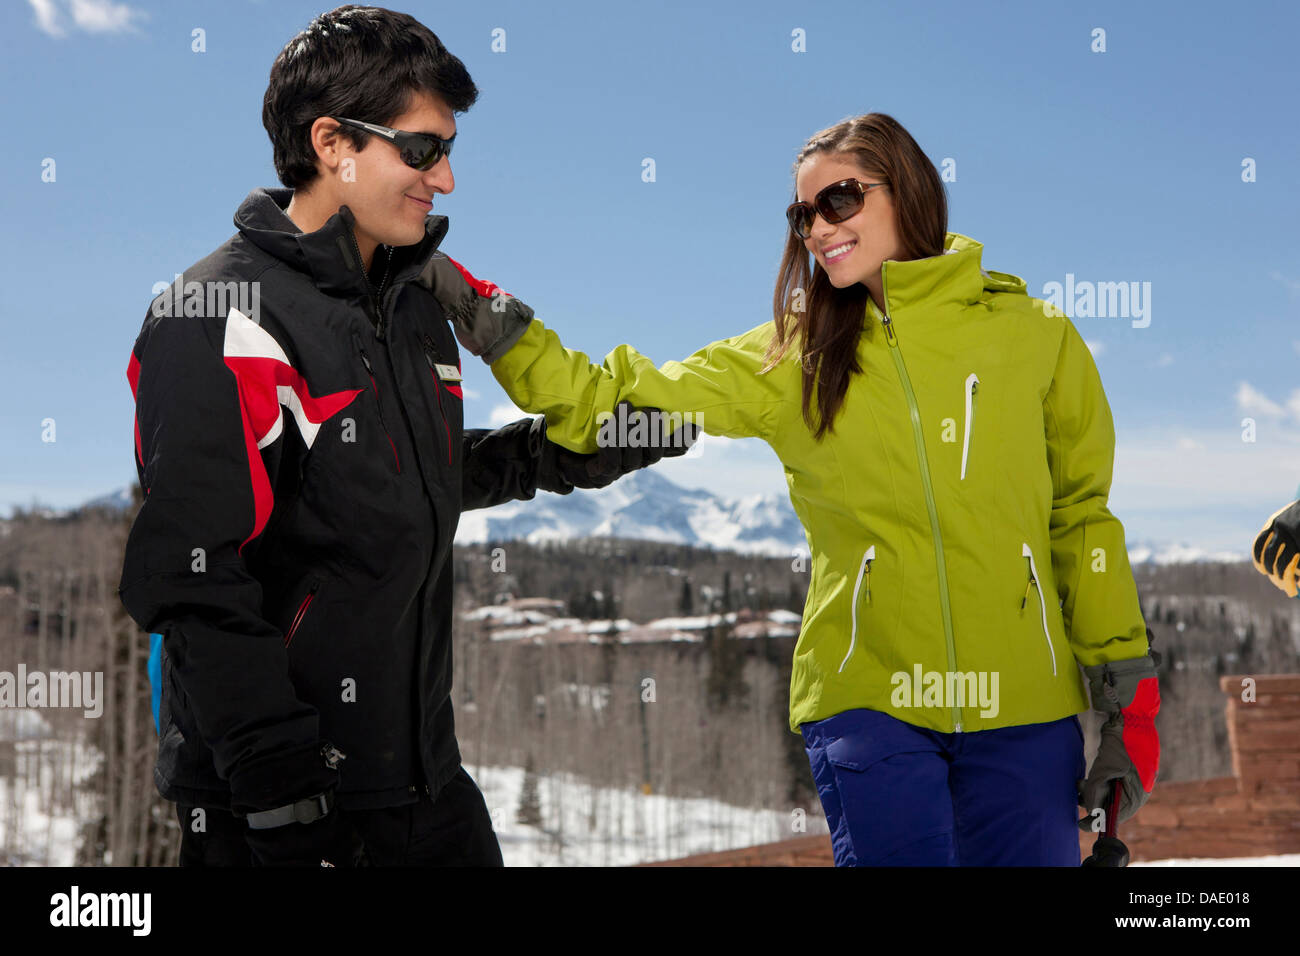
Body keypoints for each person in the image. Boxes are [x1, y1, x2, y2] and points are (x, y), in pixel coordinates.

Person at [420, 112, 1162, 866]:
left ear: (906, 189)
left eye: (839, 200)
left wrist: (1125, 700)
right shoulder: (793, 354)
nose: (817, 228)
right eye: (801, 214)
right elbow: (609, 401)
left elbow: (1081, 523)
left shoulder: (1033, 334)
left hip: (1025, 703)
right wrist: (487, 316)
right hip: (868, 697)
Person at [118, 5, 688, 868]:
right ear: (331, 144)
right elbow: (192, 576)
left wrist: (556, 456)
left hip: (424, 783)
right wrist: (282, 795)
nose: (446, 178)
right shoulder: (220, 315)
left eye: (448, 150)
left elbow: (396, 476)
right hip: (281, 808)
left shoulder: (413, 303)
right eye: (421, 149)